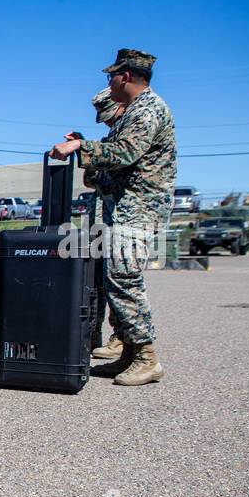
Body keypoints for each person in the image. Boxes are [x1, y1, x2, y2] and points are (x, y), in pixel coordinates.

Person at [50, 49, 174, 386]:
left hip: (138, 210)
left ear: (126, 76)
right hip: (122, 209)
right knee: (115, 279)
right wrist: (86, 148)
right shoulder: (132, 113)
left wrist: (80, 148)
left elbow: (124, 153)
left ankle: (147, 358)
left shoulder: (148, 110)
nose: (110, 81)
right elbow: (107, 168)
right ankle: (130, 354)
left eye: (112, 76)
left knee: (125, 279)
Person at [67, 87, 128, 358]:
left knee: (119, 281)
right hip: (99, 223)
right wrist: (83, 147)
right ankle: (93, 335)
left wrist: (86, 147)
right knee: (96, 283)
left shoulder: (128, 140)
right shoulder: (108, 141)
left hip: (122, 220)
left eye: (109, 114)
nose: (107, 121)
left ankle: (123, 338)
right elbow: (93, 180)